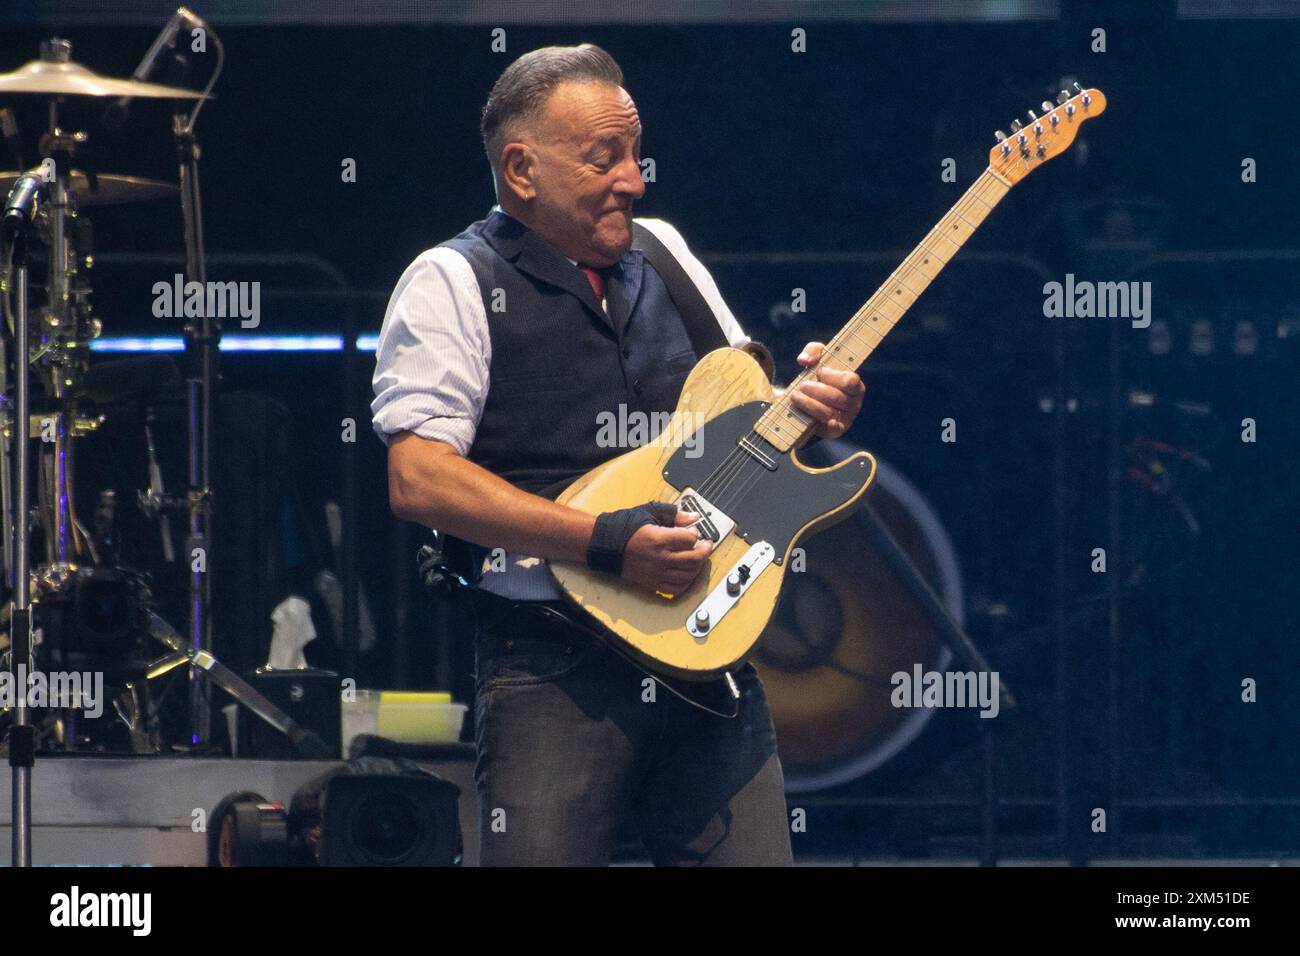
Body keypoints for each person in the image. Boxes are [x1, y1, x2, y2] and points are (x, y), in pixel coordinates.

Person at [371, 44, 864, 865]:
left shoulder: (664, 251)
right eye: (606, 158)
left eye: (635, 154)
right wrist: (608, 542)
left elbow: (750, 416)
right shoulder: (449, 281)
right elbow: (418, 479)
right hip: (550, 659)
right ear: (521, 169)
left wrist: (813, 411)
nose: (634, 179)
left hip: (708, 648)